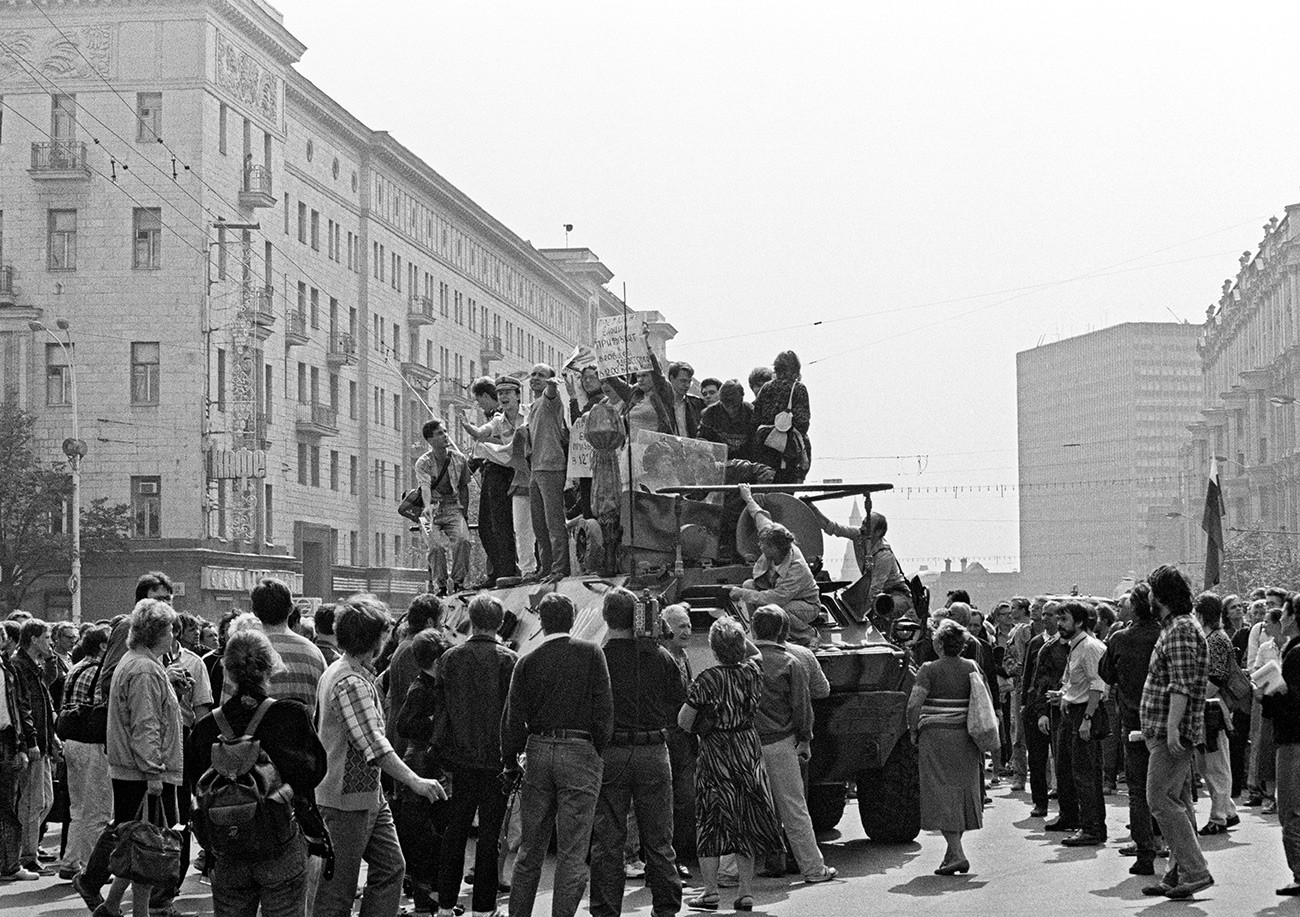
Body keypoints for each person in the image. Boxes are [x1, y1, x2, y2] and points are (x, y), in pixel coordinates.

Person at [312, 594, 448, 917]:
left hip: (366, 798)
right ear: (373, 640)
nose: (386, 644)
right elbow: (374, 746)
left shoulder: (346, 672)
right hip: (345, 802)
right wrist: (416, 781)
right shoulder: (349, 681)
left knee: (391, 869)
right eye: (383, 637)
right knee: (337, 894)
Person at [186, 629, 326, 917]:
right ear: (271, 666)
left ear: (227, 670)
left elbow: (196, 784)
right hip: (281, 844)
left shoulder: (205, 730)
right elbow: (314, 772)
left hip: (226, 848)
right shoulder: (291, 715)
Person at [502, 592, 612, 917]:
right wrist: (596, 751)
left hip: (537, 750)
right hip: (580, 750)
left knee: (530, 851)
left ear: (541, 621)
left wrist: (511, 761)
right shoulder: (592, 653)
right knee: (572, 852)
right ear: (574, 618)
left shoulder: (526, 661)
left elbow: (511, 720)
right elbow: (604, 711)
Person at [589, 588, 686, 917]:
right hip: (654, 751)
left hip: (611, 753)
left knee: (608, 841)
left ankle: (605, 911)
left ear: (606, 617)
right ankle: (666, 908)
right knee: (659, 840)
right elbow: (679, 696)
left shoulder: (597, 658)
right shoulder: (659, 655)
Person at [678, 617, 784, 911]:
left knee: (711, 821)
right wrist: (736, 634)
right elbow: (756, 654)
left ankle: (710, 891)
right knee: (745, 819)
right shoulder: (752, 672)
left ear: (713, 649)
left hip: (716, 753)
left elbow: (684, 721)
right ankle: (746, 892)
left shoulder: (707, 680)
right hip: (747, 749)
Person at [99, 599, 185, 917]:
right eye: (170, 628)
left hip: (132, 770)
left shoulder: (138, 663)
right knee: (147, 848)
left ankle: (112, 907)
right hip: (141, 773)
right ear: (155, 632)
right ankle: (140, 913)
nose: (174, 634)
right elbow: (145, 724)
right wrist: (153, 772)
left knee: (135, 846)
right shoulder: (145, 669)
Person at [432, 594, 516, 917]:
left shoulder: (450, 659)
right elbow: (511, 715)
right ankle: (484, 907)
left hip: (460, 758)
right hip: (496, 760)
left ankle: (445, 903)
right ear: (498, 622)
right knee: (489, 835)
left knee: (456, 832)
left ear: (470, 618)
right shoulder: (508, 660)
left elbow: (442, 713)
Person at [1140, 565, 1213, 900]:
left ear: (1163, 596)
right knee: (1178, 802)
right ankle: (1175, 874)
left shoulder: (1181, 629)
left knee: (1160, 801)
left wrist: (1172, 731)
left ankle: (1195, 871)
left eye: (1153, 591)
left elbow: (1180, 686)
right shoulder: (1177, 627)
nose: (1149, 598)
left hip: (1172, 734)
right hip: (1166, 732)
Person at [751, 606, 836, 885]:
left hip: (747, 744)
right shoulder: (793, 660)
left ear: (753, 627)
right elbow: (804, 706)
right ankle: (812, 869)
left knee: (744, 808)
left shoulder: (743, 661)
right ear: (783, 631)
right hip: (782, 743)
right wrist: (805, 739)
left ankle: (729, 873)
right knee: (795, 810)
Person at [908, 618, 984, 874]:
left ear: (939, 644)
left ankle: (958, 854)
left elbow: (913, 704)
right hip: (966, 737)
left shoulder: (928, 669)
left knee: (940, 794)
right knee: (962, 793)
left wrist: (913, 730)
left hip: (936, 738)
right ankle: (952, 853)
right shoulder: (972, 667)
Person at [1100, 583, 1163, 875]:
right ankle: (1167, 842)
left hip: (1134, 720)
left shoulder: (1120, 638)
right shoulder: (1166, 633)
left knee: (1138, 791)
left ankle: (1145, 851)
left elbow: (1106, 673)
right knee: (1169, 790)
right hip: (1165, 719)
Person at [393, 629, 455, 914]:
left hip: (425, 762)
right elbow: (404, 725)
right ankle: (424, 898)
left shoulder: (429, 685)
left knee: (430, 836)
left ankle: (429, 897)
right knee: (425, 837)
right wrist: (434, 722)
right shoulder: (421, 688)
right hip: (422, 763)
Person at [729, 483, 821, 647]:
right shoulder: (773, 535)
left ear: (774, 548)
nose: (760, 546)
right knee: (749, 585)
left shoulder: (796, 568)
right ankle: (758, 634)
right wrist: (747, 496)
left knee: (779, 610)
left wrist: (741, 594)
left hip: (805, 604)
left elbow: (775, 598)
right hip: (777, 593)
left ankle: (809, 635)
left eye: (763, 545)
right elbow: (758, 515)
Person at [1049, 602, 1109, 848]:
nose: (1059, 624)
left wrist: (1086, 719)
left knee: (1087, 774)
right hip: (1072, 711)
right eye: (1058, 619)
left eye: (1064, 619)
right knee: (1070, 769)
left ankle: (1092, 828)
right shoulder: (1074, 647)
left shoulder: (1090, 647)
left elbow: (1098, 685)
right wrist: (1062, 696)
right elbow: (1075, 682)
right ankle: (1075, 820)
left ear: (1080, 622)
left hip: (1085, 714)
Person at [58, 626, 112, 881]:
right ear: (102, 646)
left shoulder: (75, 667)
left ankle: (70, 861)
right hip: (92, 743)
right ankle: (93, 867)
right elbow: (104, 708)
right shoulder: (100, 672)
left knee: (77, 807)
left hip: (71, 740)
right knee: (99, 810)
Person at [807, 504, 913, 621]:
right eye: (863, 523)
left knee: (880, 608)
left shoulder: (884, 556)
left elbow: (874, 589)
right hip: (874, 592)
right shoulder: (858, 535)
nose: (862, 528)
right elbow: (832, 527)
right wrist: (812, 509)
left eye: (867, 526)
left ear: (878, 532)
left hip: (895, 596)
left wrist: (857, 616)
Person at [11, 619, 57, 876]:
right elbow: (25, 707)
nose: (49, 642)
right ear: (33, 639)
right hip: (35, 742)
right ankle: (25, 855)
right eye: (46, 637)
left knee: (45, 800)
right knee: (32, 802)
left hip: (42, 740)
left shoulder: (32, 666)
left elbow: (45, 698)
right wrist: (31, 741)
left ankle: (28, 849)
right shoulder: (20, 667)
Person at [1264, 592, 1300, 895]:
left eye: (1286, 613)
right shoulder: (1292, 649)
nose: (1282, 618)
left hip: (1292, 740)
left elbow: (1293, 703)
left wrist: (1271, 694)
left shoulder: (1296, 653)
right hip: (1291, 738)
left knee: (1290, 810)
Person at [1195, 592, 1239, 835]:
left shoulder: (1217, 639)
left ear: (1202, 614)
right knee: (1206, 763)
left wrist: (1196, 698)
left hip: (1213, 706)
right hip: (1207, 704)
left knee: (1216, 763)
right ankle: (1228, 810)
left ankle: (1219, 817)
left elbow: (1217, 676)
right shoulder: (1212, 636)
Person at [658, 604, 697, 870]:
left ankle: (681, 852)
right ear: (666, 628)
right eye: (681, 625)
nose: (687, 630)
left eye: (689, 625)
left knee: (686, 798)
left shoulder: (684, 656)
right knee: (665, 801)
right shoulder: (660, 658)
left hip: (684, 737)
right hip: (666, 736)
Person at [252, 578, 327, 714]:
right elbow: (324, 708)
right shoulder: (313, 653)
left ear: (255, 612)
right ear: (291, 609)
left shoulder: (244, 650)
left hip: (255, 734)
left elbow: (227, 710)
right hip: (304, 734)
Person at [415, 419, 473, 595]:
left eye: (445, 431)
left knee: (463, 540)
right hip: (428, 512)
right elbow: (424, 486)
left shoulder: (459, 459)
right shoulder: (423, 462)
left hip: (452, 507)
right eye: (440, 433)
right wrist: (426, 507)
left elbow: (464, 486)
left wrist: (464, 512)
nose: (445, 436)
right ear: (430, 440)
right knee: (435, 546)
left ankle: (458, 582)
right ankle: (439, 585)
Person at [525, 364, 571, 583]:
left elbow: (551, 394)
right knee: (539, 524)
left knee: (554, 521)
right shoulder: (533, 406)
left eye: (540, 375)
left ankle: (560, 567)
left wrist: (552, 386)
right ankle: (546, 566)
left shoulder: (549, 401)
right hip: (536, 468)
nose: (535, 378)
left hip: (551, 467)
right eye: (533, 374)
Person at [1027, 602, 1069, 821]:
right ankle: (1039, 802)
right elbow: (1032, 679)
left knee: (1061, 758)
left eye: (1051, 615)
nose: (1046, 618)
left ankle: (1065, 805)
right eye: (1043, 614)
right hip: (1039, 707)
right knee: (1037, 758)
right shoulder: (1037, 644)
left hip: (1061, 709)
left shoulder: (1068, 645)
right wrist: (1032, 707)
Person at [0, 618, 33, 882]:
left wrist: (21, 746)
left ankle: (10, 865)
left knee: (8, 805)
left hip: (6, 741)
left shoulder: (7, 669)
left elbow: (18, 710)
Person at [752, 351, 810, 484]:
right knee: (784, 493)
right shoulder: (798, 388)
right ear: (796, 368)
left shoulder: (765, 388)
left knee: (766, 489)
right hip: (787, 453)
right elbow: (803, 422)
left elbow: (755, 420)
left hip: (764, 448)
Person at [699, 380, 756, 462]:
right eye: (727, 405)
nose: (731, 410)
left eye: (735, 406)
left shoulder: (751, 412)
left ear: (742, 399)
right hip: (718, 462)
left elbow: (756, 446)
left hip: (745, 462)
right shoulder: (710, 413)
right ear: (721, 401)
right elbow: (701, 440)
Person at [666, 361, 704, 439]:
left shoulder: (697, 404)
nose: (687, 385)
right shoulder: (661, 402)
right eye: (683, 381)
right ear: (672, 379)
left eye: (689, 382)